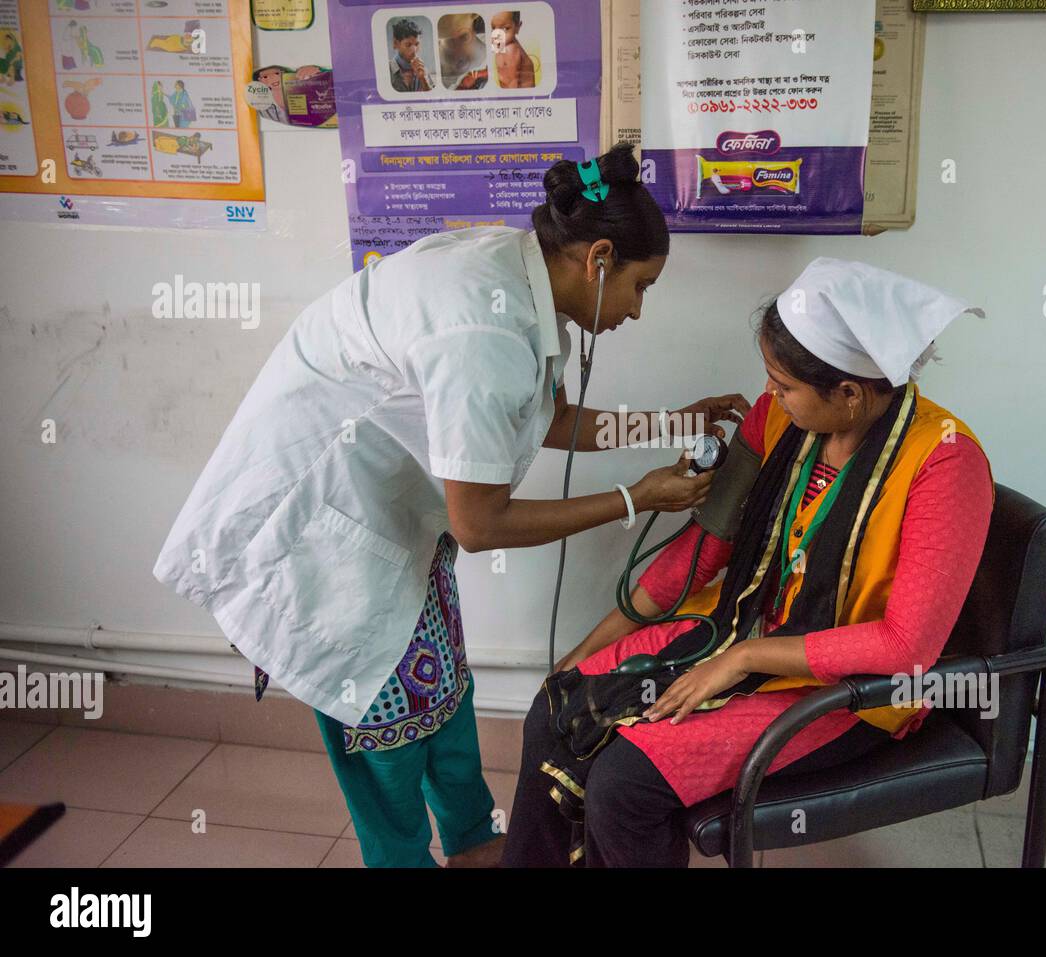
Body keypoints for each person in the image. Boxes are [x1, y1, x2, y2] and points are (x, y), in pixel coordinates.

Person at [152, 143, 748, 868]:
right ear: (597, 258)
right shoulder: (483, 325)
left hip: (393, 527)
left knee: (442, 708)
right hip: (320, 535)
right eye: (640, 285)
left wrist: (673, 422)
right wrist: (635, 495)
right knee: (388, 748)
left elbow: (547, 419)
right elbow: (481, 523)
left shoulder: (516, 279)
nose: (637, 310)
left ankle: (473, 845)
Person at [503, 257, 995, 867]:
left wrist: (742, 660)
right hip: (742, 628)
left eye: (784, 385)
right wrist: (593, 644)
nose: (769, 396)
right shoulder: (778, 421)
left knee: (624, 784)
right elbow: (705, 548)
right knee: (556, 709)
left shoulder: (946, 463)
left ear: (848, 393)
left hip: (851, 687)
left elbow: (906, 648)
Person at [490, 11, 534, 89]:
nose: (497, 34)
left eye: (505, 28)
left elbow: (512, 85)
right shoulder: (507, 45)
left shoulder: (510, 50)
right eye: (493, 28)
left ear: (517, 27)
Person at [389, 18, 431, 93]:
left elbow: (433, 99)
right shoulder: (387, 70)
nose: (414, 51)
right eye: (408, 45)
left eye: (417, 44)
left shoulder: (423, 69)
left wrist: (423, 79)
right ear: (396, 43)